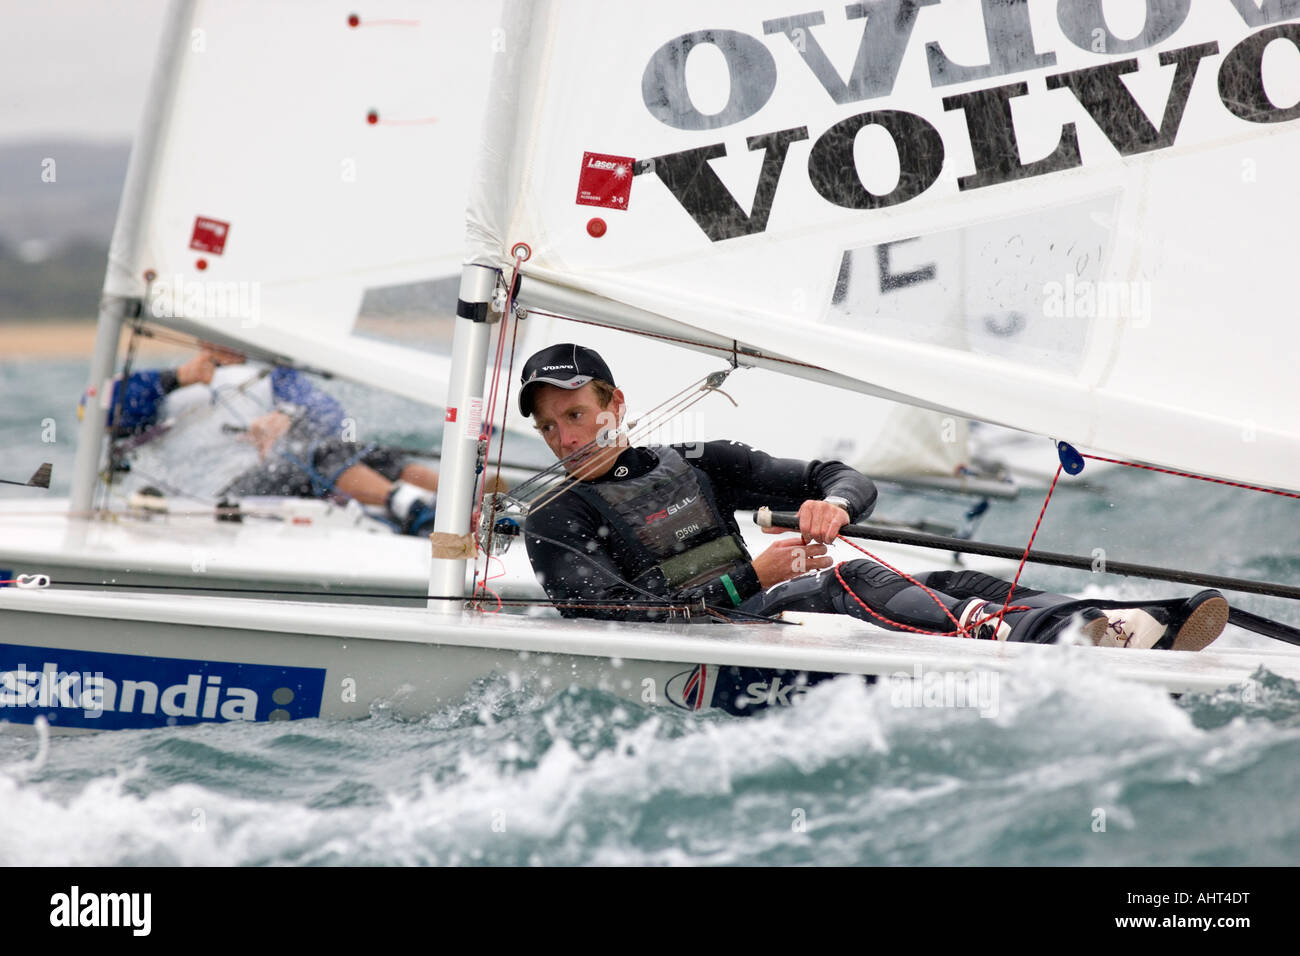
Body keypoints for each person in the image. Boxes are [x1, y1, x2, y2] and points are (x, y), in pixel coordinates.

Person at [518, 343, 1229, 656]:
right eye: (547, 425)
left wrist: (837, 507)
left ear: (614, 402)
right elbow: (610, 616)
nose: (563, 437)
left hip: (748, 617)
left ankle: (1093, 619)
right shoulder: (555, 519)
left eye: (575, 414)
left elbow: (843, 474)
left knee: (948, 579)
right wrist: (752, 577)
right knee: (851, 579)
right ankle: (1037, 637)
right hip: (696, 639)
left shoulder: (698, 462)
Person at [109, 343, 440, 535]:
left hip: (268, 490)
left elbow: (329, 416)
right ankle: (413, 508)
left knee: (361, 453)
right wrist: (177, 377)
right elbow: (102, 410)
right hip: (209, 502)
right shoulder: (160, 389)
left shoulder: (274, 378)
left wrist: (287, 415)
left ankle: (461, 499)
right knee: (313, 458)